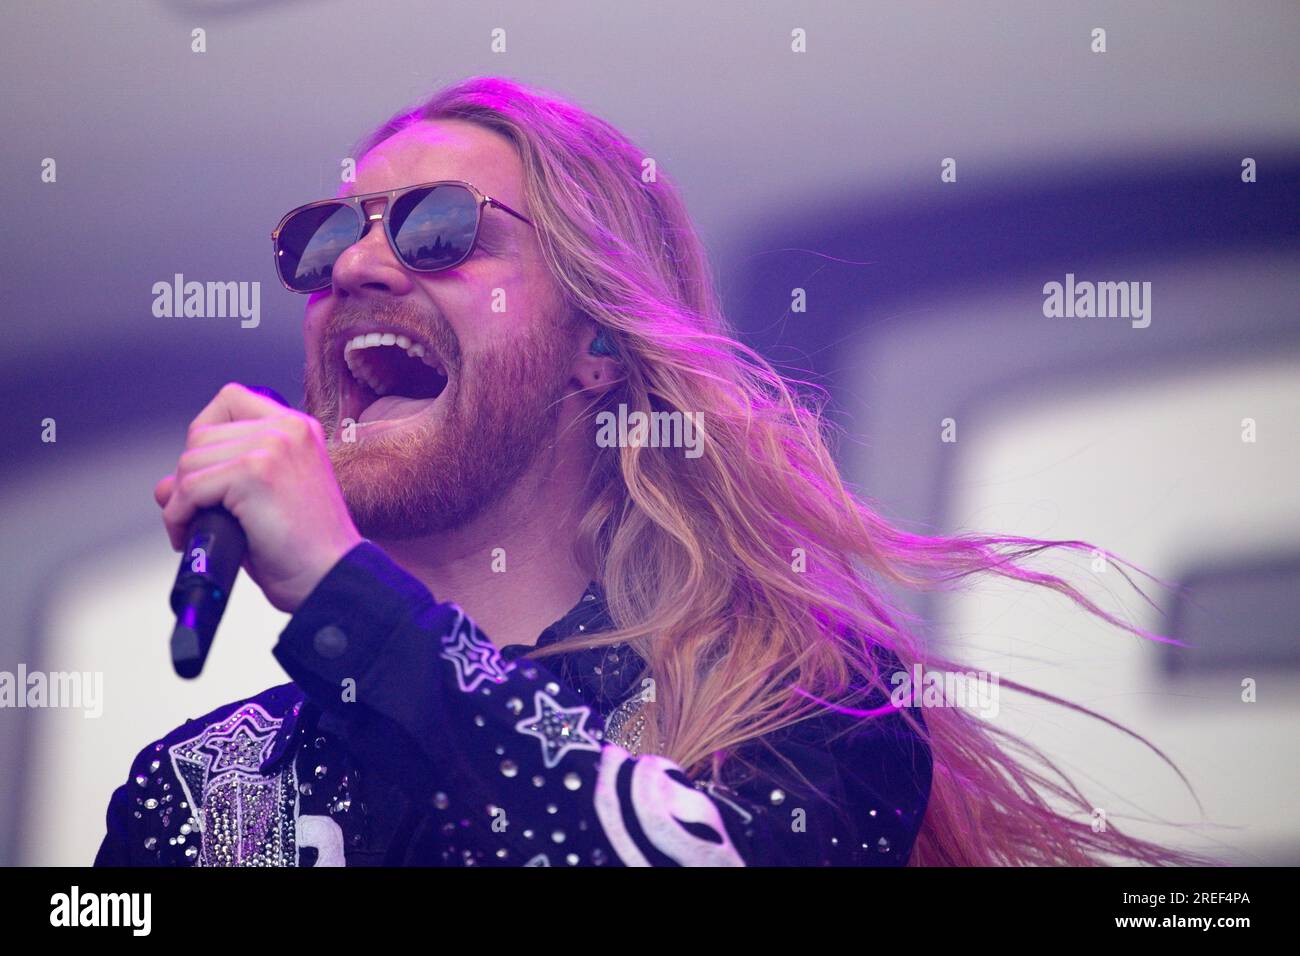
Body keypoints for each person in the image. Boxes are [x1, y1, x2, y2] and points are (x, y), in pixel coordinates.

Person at [94, 76, 1198, 867]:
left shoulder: (791, 707)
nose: (360, 264)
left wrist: (350, 603)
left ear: (599, 343)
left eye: (440, 231)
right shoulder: (209, 790)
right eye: (329, 239)